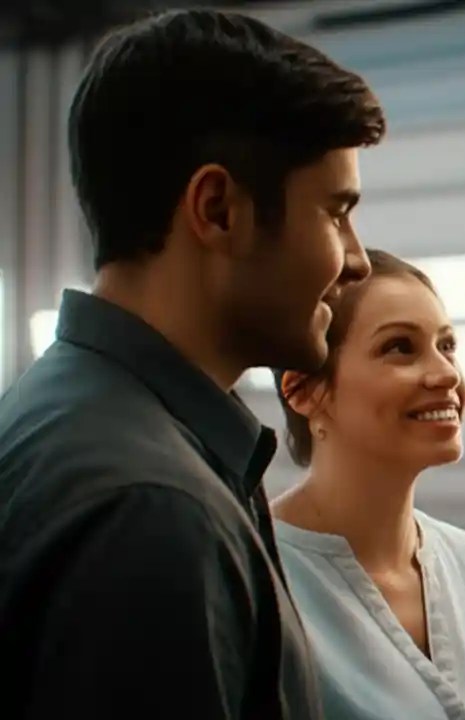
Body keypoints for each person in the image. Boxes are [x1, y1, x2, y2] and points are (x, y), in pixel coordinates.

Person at [0, 9, 383, 719]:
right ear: (218, 209)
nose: (357, 260)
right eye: (336, 213)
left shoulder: (61, 410)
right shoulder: (155, 510)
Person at [271, 249, 465, 720]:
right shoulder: (255, 575)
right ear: (305, 390)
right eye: (400, 347)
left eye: (447, 345)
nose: (447, 373)